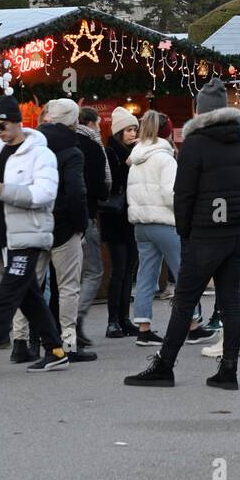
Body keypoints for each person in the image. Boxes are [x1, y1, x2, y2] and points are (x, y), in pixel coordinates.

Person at [125, 78, 240, 391]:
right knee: (230, 299)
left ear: (200, 110)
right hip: (237, 231)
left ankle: (164, 366)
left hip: (205, 232)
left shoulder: (196, 144)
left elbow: (182, 194)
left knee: (184, 300)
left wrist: (185, 233)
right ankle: (228, 369)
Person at [0, 96, 69, 376]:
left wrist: (2, 190)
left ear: (17, 122)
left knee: (7, 294)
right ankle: (55, 350)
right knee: (28, 296)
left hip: (29, 235)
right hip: (4, 236)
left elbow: (45, 194)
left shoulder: (40, 153)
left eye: (1, 126)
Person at [34, 99, 93, 363]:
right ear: (73, 120)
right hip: (63, 226)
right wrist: (81, 225)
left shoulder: (32, 145)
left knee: (31, 285)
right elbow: (76, 193)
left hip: (35, 223)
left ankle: (23, 342)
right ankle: (67, 343)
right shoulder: (72, 150)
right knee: (68, 287)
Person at [126, 110, 181, 345]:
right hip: (164, 222)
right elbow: (170, 194)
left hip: (141, 223)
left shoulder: (136, 158)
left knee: (146, 275)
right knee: (185, 273)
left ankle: (144, 328)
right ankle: (193, 322)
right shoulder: (165, 158)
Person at [102, 107, 140, 338]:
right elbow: (111, 182)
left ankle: (125, 318)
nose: (132, 133)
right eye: (128, 129)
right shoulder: (110, 152)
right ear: (118, 132)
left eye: (135, 128)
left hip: (131, 216)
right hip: (114, 217)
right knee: (118, 270)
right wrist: (127, 163)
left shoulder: (134, 151)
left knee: (129, 271)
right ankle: (113, 321)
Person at [74, 106, 110, 347]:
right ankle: (75, 319)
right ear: (90, 124)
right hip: (85, 215)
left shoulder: (56, 143)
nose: (99, 128)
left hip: (57, 219)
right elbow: (103, 184)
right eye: (97, 124)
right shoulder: (93, 147)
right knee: (93, 270)